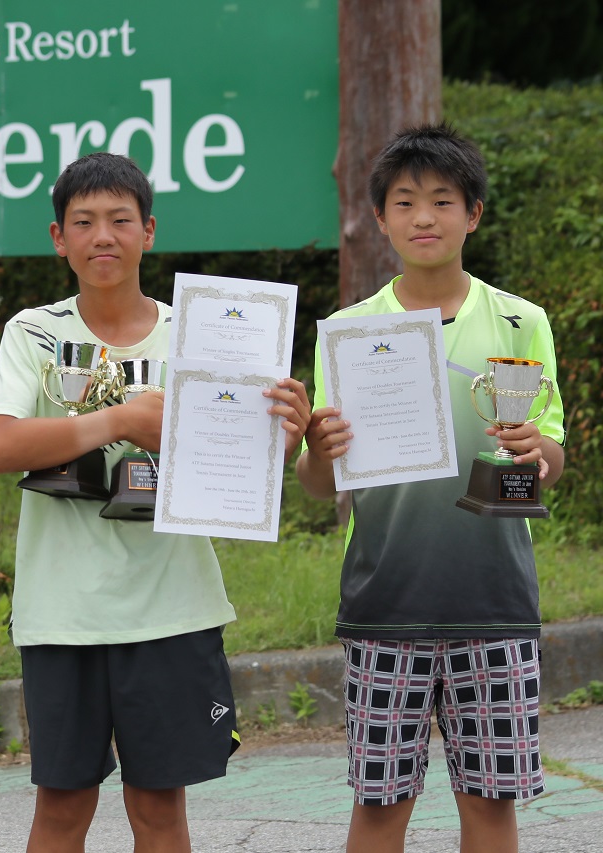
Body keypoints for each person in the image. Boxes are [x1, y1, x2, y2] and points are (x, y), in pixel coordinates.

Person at [0, 152, 312, 853]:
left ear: (149, 231)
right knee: (62, 810)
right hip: (62, 615)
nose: (104, 235)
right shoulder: (33, 331)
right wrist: (118, 420)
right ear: (57, 237)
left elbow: (242, 462)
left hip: (172, 608)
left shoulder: (205, 333)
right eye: (85, 222)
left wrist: (279, 436)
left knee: (160, 811)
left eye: (120, 220)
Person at [296, 123, 566, 853]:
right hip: (386, 600)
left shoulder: (522, 321)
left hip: (495, 598)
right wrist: (319, 450)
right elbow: (321, 483)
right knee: (381, 809)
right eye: (405, 202)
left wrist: (537, 450)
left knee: (490, 806)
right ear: (378, 218)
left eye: (443, 200)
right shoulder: (349, 333)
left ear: (473, 213)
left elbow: (551, 449)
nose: (424, 217)